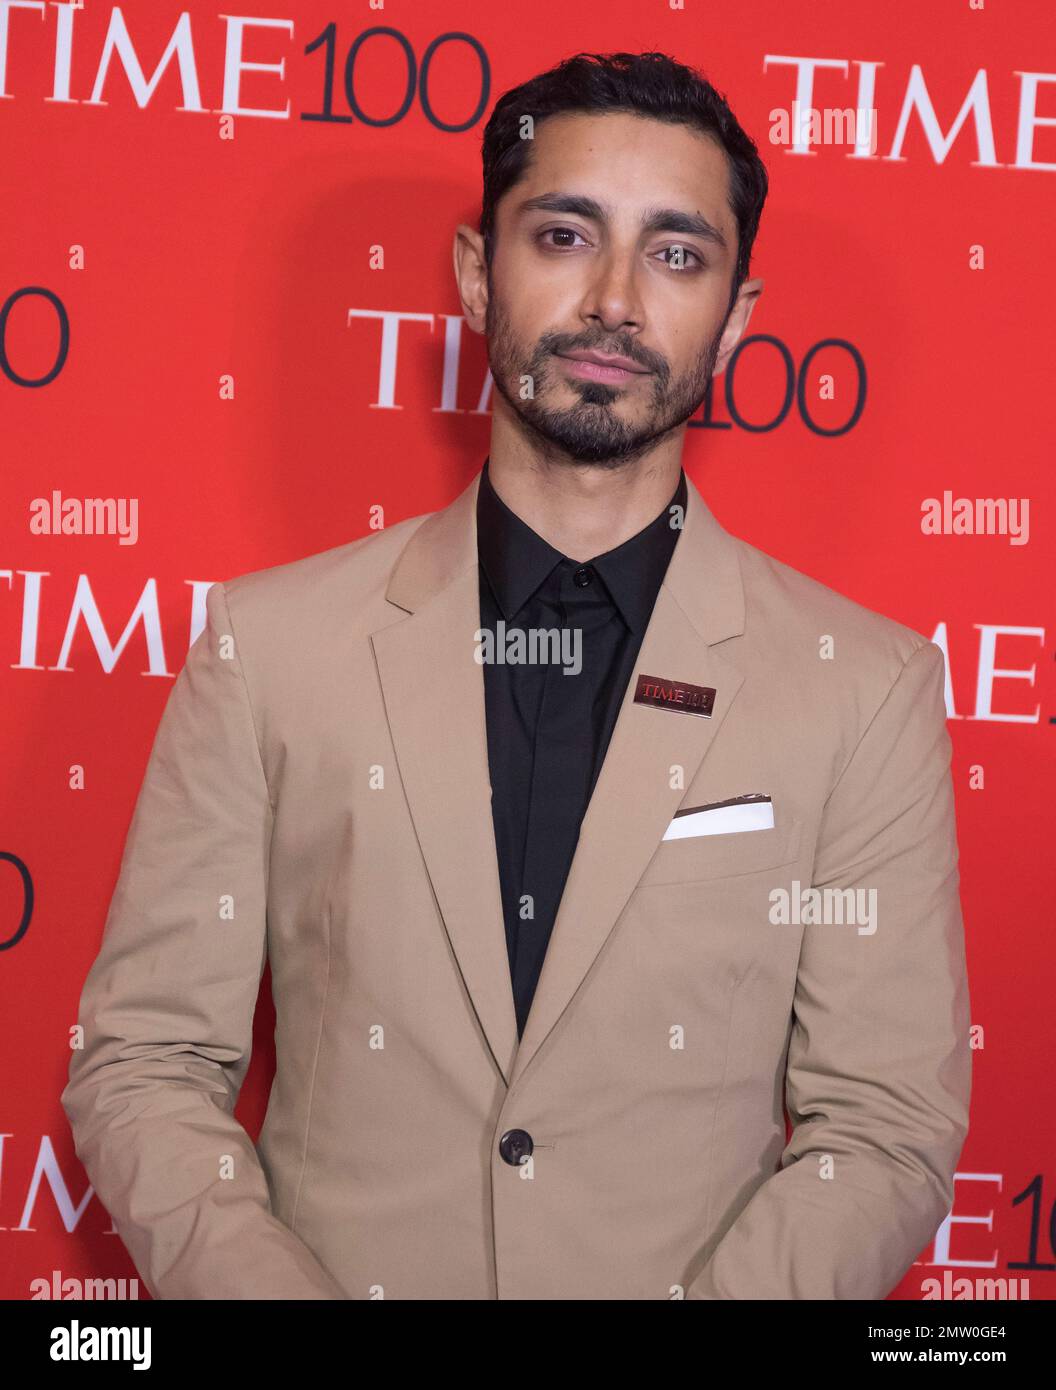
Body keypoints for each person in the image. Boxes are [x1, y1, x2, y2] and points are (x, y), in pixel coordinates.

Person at [62, 50, 971, 1300]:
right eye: (564, 234)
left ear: (738, 315)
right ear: (480, 273)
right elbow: (145, 1063)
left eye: (676, 253)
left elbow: (883, 1123)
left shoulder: (863, 688)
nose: (614, 300)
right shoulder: (268, 648)